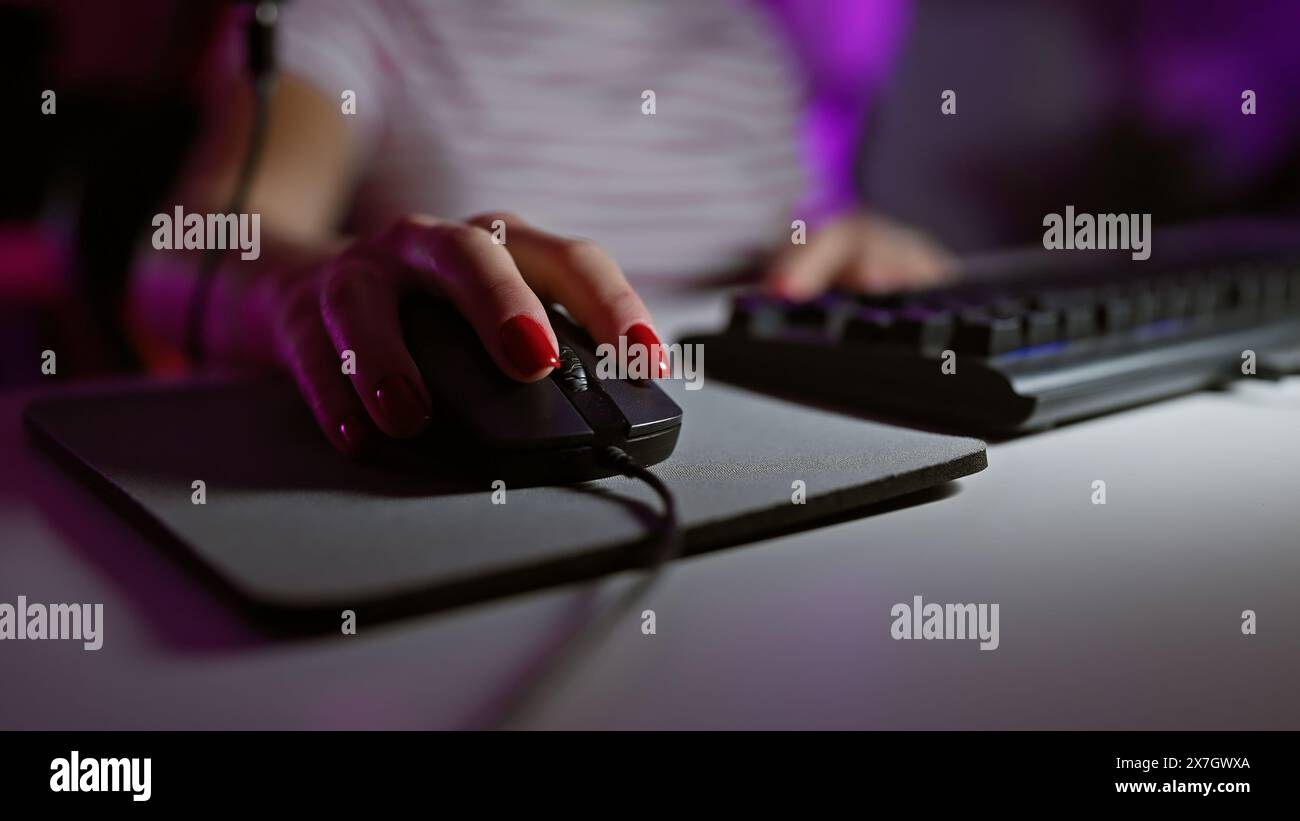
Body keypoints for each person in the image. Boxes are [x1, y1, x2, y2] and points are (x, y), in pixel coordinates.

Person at [129, 0, 954, 455]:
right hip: (525, 484)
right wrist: (309, 290)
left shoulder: (741, 30)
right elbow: (189, 249)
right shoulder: (346, 14)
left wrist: (837, 243)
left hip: (782, 457)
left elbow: (779, 235)